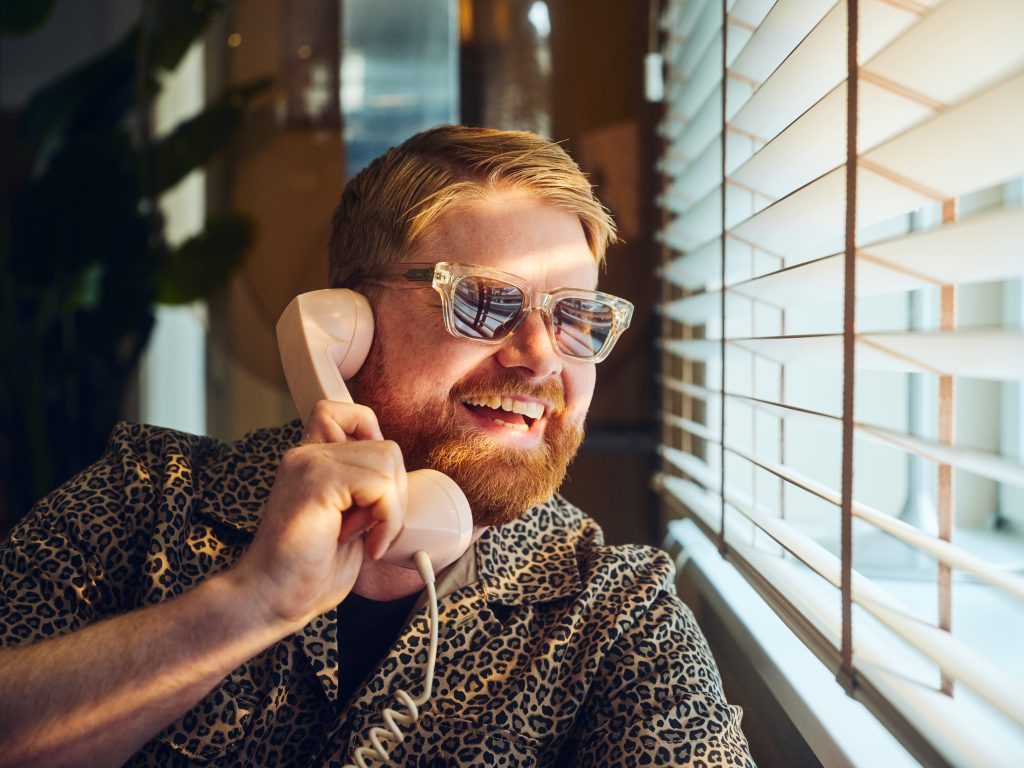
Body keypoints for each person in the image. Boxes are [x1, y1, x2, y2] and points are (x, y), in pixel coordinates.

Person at [0, 125, 754, 767]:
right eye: (485, 302)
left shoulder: (615, 618)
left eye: (577, 317)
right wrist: (249, 604)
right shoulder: (144, 499)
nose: (540, 356)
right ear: (343, 322)